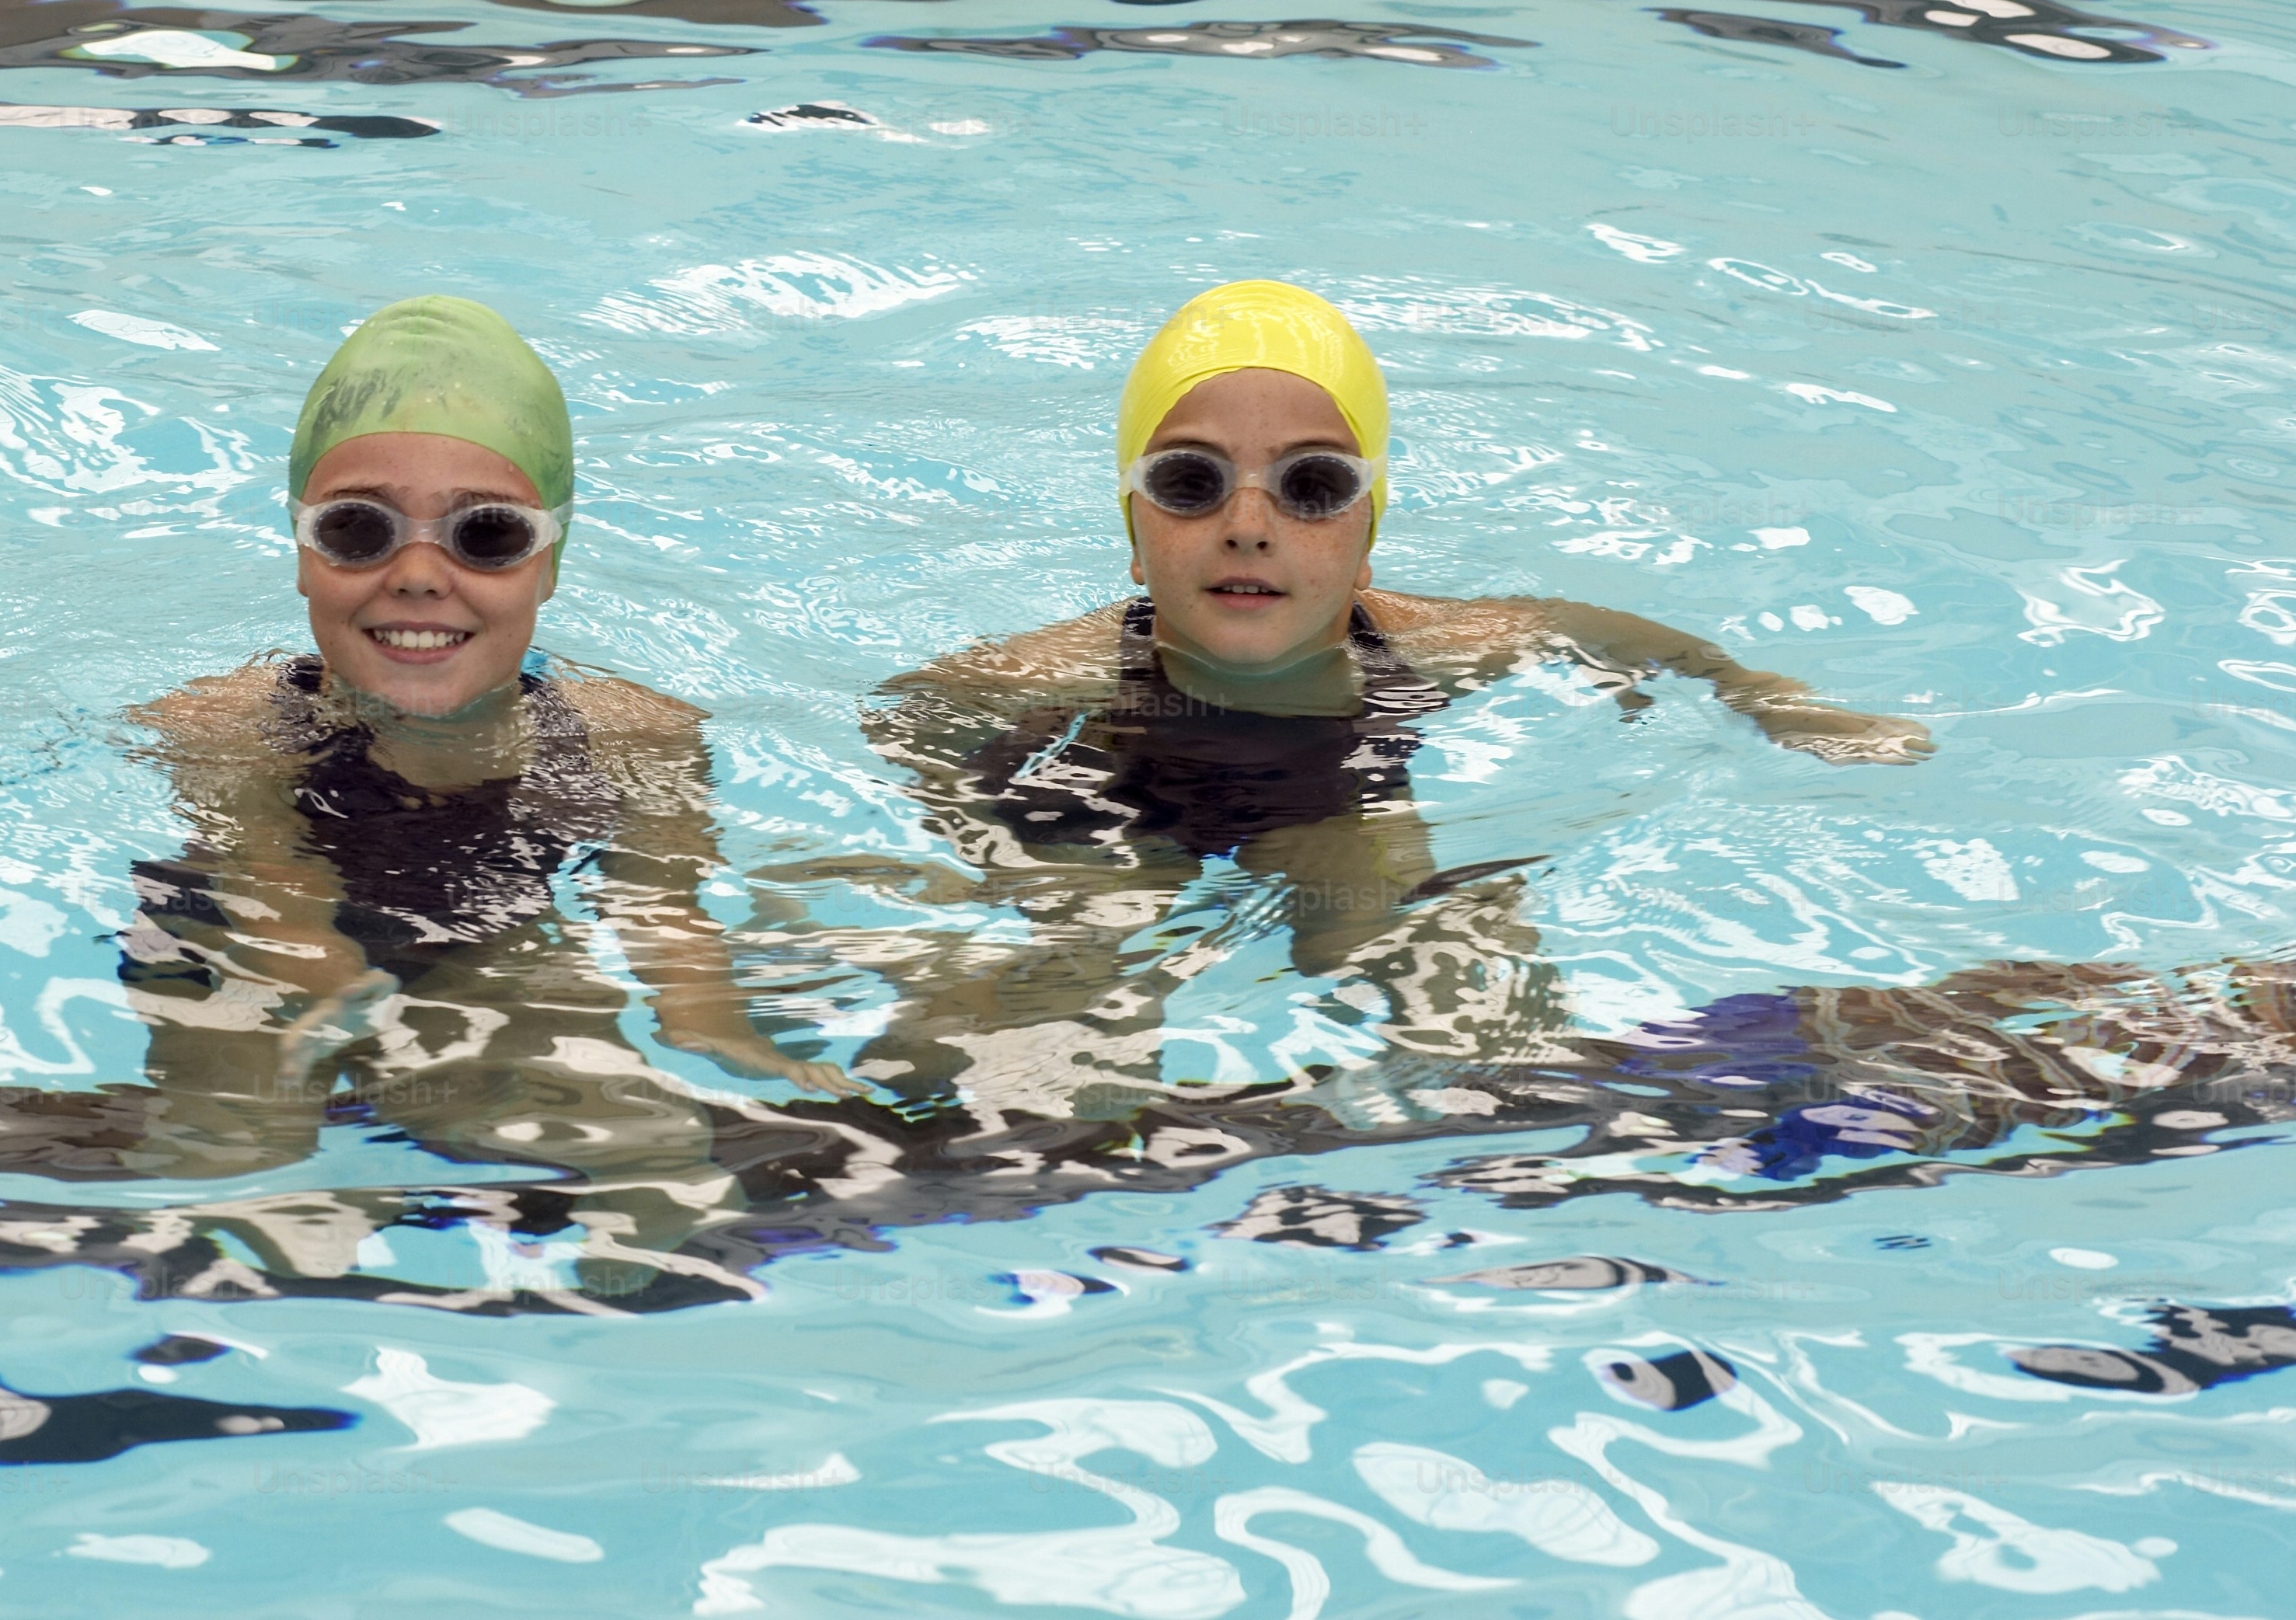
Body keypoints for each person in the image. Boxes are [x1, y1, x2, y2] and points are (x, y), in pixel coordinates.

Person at [850, 278, 1931, 1115]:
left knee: (1430, 953)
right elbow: (909, 713)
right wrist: (976, 849)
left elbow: (1592, 629)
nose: (1249, 523)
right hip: (1115, 797)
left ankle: (1498, 1137)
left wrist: (1769, 698)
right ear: (1134, 536)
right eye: (1190, 482)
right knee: (1086, 968)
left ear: (1370, 537)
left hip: (1327, 793)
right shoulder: (1069, 666)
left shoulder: (1433, 643)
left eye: (1314, 485)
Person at [106, 296, 859, 1284]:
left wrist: (709, 1022)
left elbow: (662, 904)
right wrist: (349, 1008)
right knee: (246, 1157)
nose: (419, 574)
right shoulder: (223, 724)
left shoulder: (637, 731)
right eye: (359, 530)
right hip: (250, 940)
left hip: (483, 935)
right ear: (301, 551)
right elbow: (270, 884)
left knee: (653, 1148)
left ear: (549, 561)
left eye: (487, 535)